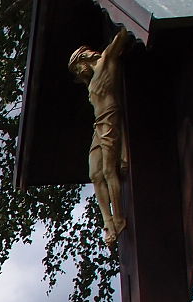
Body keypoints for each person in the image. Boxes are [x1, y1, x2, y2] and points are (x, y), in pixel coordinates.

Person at [69, 27, 131, 249]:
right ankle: (107, 222)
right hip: (99, 125)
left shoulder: (106, 61)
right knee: (94, 174)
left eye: (77, 68)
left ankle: (119, 218)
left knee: (107, 171)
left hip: (110, 118)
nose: (79, 73)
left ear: (83, 59)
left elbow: (121, 37)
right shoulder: (91, 81)